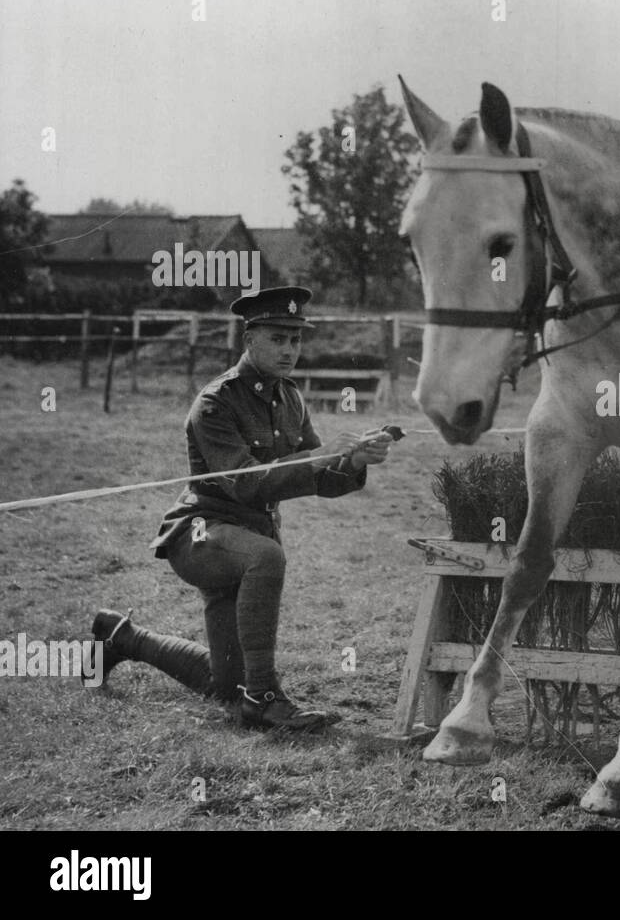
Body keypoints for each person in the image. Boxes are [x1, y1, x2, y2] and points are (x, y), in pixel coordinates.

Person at [88, 285, 392, 732]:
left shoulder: (291, 398)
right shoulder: (215, 401)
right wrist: (322, 454)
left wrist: (352, 463)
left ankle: (121, 638)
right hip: (200, 534)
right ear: (249, 339)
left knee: (224, 683)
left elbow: (317, 479)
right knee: (266, 558)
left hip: (248, 539)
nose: (290, 350)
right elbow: (245, 484)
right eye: (277, 338)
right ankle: (264, 699)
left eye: (296, 339)